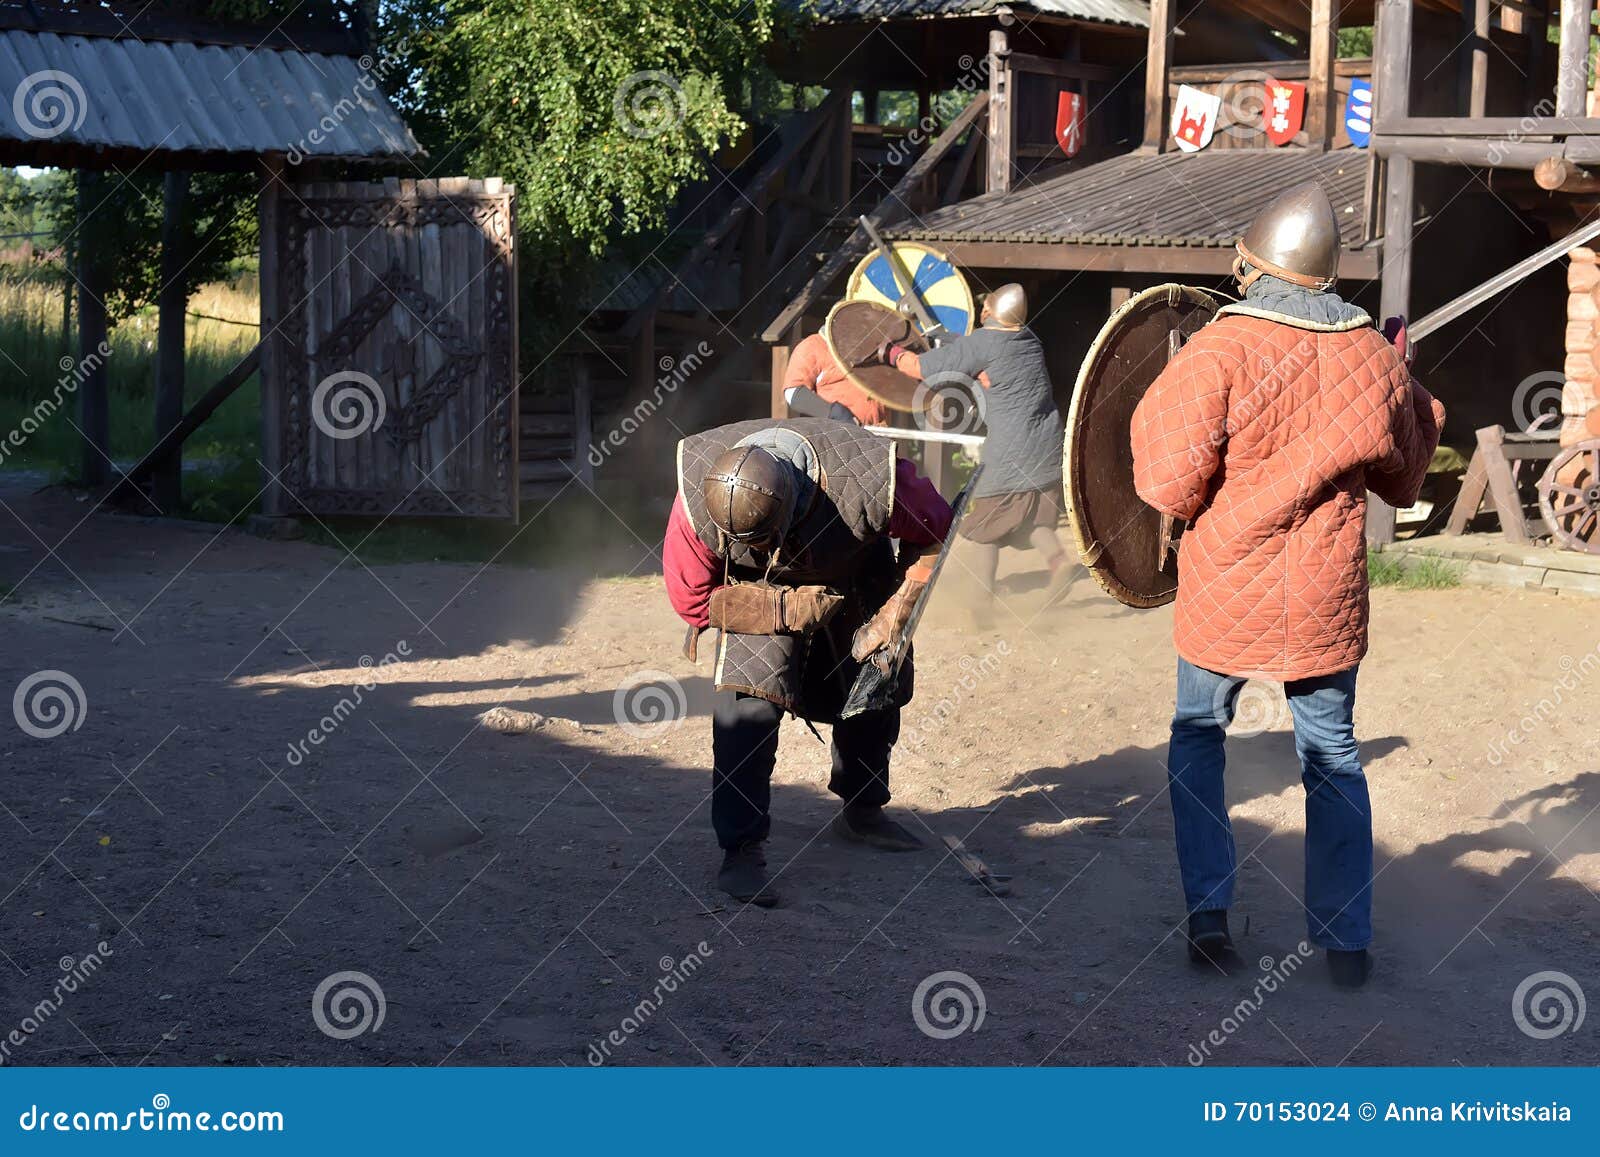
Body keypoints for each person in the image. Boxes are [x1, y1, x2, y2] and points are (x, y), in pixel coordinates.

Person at [1129, 182, 1444, 989]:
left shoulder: (1218, 350)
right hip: (1323, 589)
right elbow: (1406, 479)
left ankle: (1208, 915)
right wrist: (1408, 387)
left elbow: (1166, 483)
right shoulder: (1371, 354)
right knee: (1332, 751)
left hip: (1225, 580)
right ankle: (1347, 943)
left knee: (1199, 734)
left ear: (1251, 266)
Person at [663, 417, 953, 907]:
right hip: (758, 590)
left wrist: (894, 612)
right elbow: (692, 600)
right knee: (745, 710)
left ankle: (862, 810)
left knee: (874, 680)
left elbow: (937, 525)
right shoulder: (696, 493)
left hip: (856, 569)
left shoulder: (872, 478)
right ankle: (741, 849)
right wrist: (780, 608)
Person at [882, 284, 1076, 621]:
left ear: (989, 312)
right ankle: (1059, 563)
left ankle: (981, 602)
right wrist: (954, 341)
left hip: (1010, 451)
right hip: (1045, 447)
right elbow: (985, 355)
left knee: (987, 523)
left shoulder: (984, 344)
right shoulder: (1028, 338)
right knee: (1030, 517)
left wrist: (889, 353)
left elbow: (917, 368)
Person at [783, 330, 890, 426]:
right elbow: (793, 393)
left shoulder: (872, 347)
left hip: (877, 435)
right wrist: (835, 412)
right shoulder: (813, 345)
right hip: (836, 436)